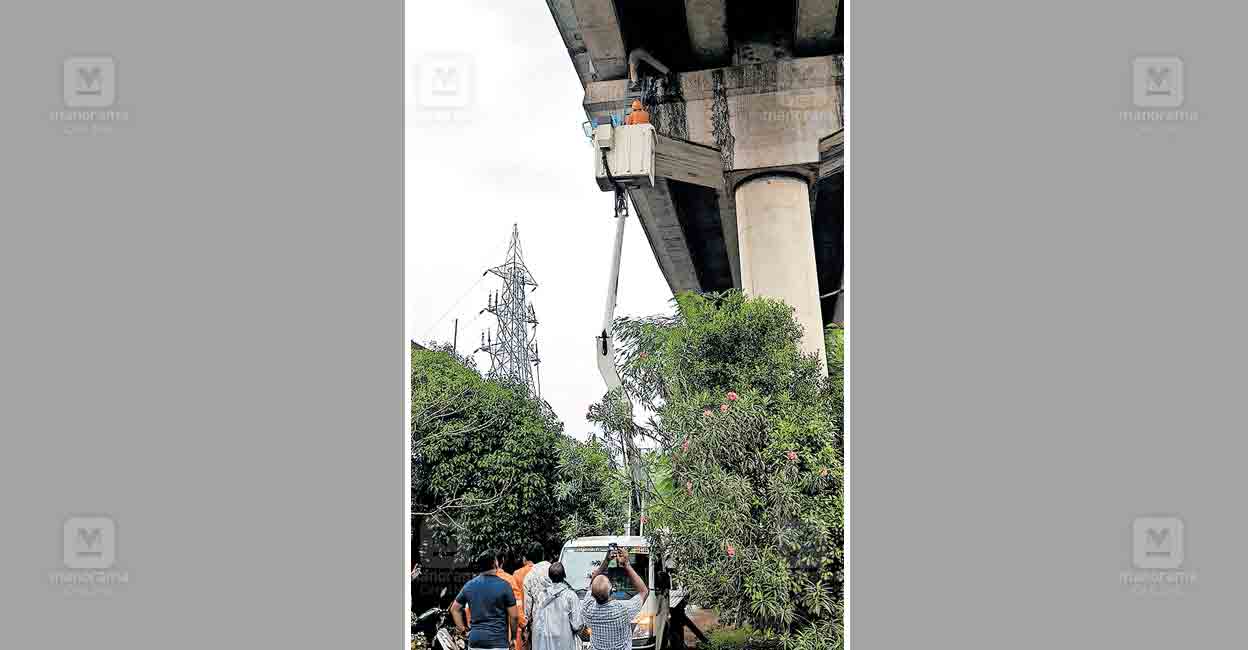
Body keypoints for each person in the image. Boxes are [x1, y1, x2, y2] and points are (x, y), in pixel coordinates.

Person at [580, 547, 649, 650]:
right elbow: (644, 591)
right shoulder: (623, 610)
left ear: (592, 595)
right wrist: (626, 564)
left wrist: (606, 562)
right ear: (612, 590)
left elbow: (592, 585)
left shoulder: (587, 609)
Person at [451, 550, 519, 650]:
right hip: (498, 642)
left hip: (475, 642)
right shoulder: (505, 586)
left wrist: (463, 631)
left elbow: (454, 609)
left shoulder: (469, 585)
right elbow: (514, 616)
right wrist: (513, 638)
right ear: (495, 563)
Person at [529, 563, 585, 650]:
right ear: (564, 576)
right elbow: (577, 625)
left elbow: (537, 620)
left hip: (545, 642)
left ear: (549, 576)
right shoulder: (570, 595)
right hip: (565, 642)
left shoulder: (542, 595)